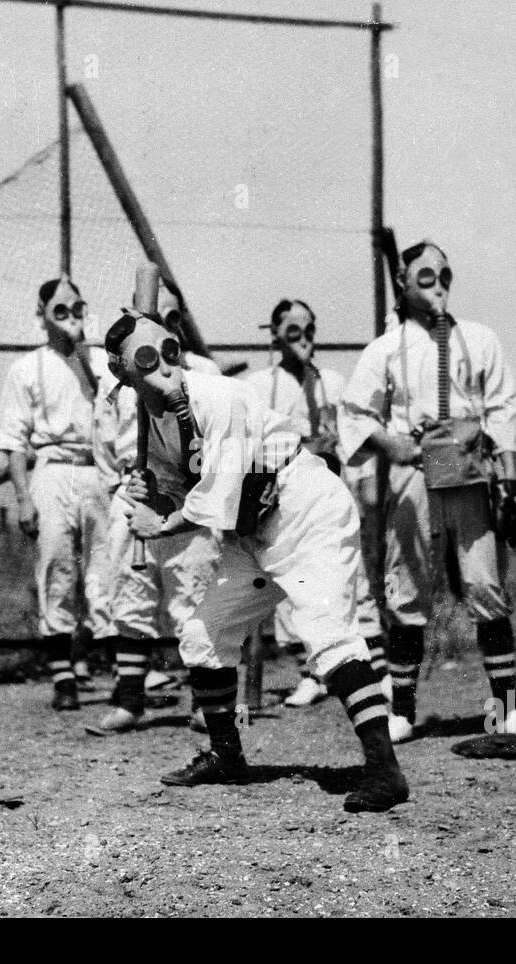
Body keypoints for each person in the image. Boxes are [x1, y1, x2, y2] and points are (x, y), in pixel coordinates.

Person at [106, 303, 409, 813]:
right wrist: (145, 491)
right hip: (253, 533)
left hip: (303, 510)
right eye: (146, 356)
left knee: (326, 634)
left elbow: (213, 501)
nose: (164, 362)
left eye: (169, 349)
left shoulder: (218, 396)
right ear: (122, 370)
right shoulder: (147, 416)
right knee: (203, 633)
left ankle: (385, 769)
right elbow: (177, 487)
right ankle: (227, 756)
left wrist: (160, 523)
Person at [340, 240, 516, 743]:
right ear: (402, 281)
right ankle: (403, 711)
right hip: (414, 469)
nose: (436, 284)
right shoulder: (385, 349)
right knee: (406, 585)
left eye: (444, 275)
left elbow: (501, 409)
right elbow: (354, 412)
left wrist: (512, 480)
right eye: (424, 276)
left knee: (485, 584)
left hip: (469, 471)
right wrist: (393, 447)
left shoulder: (478, 339)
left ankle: (506, 708)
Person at [243, 298, 387, 708]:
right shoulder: (260, 386)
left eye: (310, 330)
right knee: (294, 587)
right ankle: (311, 674)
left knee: (350, 583)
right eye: (293, 330)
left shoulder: (334, 383)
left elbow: (348, 440)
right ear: (274, 334)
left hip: (329, 493)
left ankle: (375, 671)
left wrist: (359, 489)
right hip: (287, 498)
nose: (304, 338)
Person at [93, 280, 221, 731]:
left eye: (173, 318)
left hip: (188, 495)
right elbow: (105, 441)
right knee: (131, 593)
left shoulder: (202, 372)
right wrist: (123, 489)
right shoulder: (120, 377)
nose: (165, 328)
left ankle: (205, 702)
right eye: (155, 318)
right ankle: (129, 700)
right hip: (136, 492)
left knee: (194, 595)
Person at [0, 276, 114, 711]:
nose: (70, 317)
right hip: (52, 471)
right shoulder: (26, 368)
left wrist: (86, 356)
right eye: (59, 310)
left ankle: (121, 677)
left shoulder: (100, 362)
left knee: (105, 568)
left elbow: (115, 410)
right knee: (57, 568)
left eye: (77, 308)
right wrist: (24, 497)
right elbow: (13, 440)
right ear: (41, 315)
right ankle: (64, 678)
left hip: (98, 471)